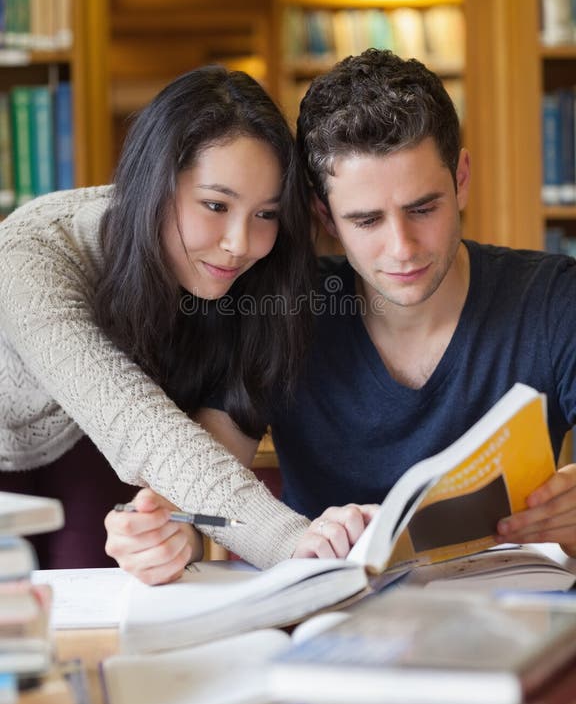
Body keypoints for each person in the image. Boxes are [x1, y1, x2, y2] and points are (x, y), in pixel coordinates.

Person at [106, 48, 576, 583]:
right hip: (326, 628)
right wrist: (156, 534)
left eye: (423, 208)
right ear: (324, 215)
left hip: (511, 626)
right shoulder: (284, 310)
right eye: (367, 220)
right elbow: (190, 495)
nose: (402, 247)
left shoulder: (556, 299)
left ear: (461, 178)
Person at [0, 64, 373, 572]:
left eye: (265, 214)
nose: (241, 245)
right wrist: (292, 542)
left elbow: (199, 501)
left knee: (110, 603)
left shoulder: (255, 280)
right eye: (215, 205)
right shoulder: (32, 253)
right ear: (153, 184)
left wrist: (183, 533)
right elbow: (133, 423)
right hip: (65, 437)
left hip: (102, 452)